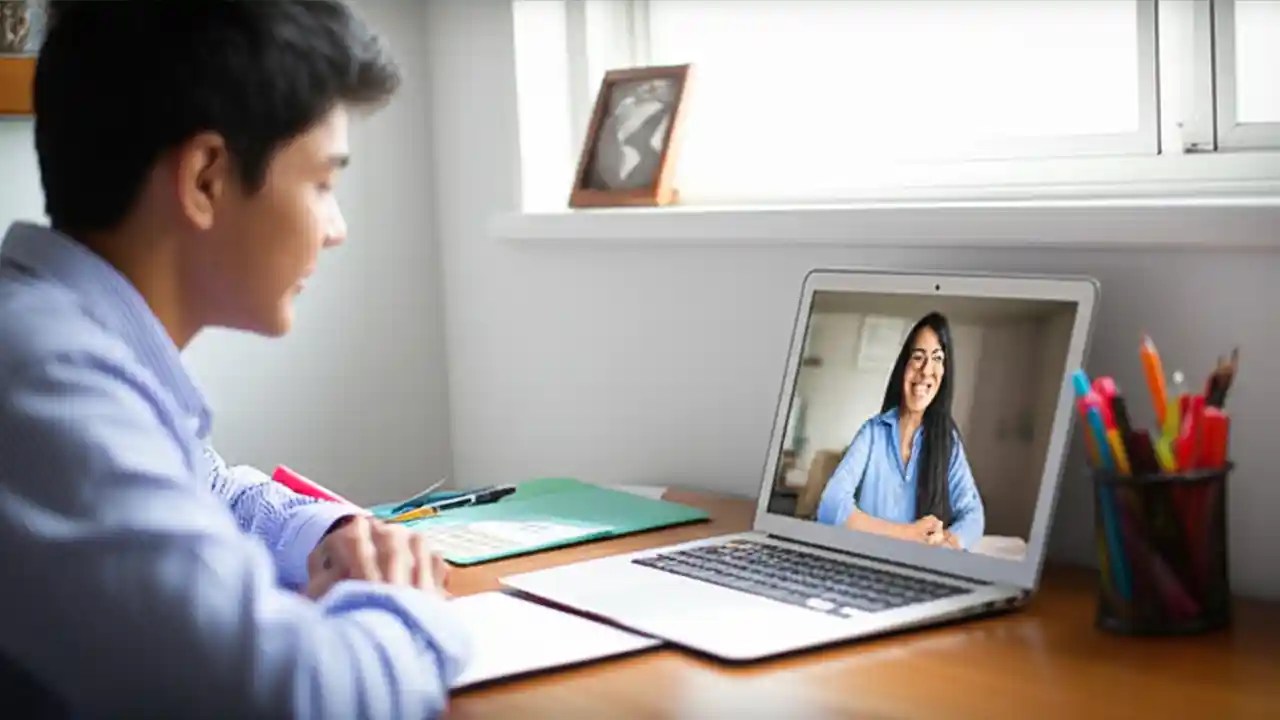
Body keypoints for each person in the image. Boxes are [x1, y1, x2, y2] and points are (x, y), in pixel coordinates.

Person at [0, 2, 468, 718]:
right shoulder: (46, 379)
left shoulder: (60, 339)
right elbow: (288, 698)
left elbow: (200, 486)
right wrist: (406, 608)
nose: (335, 228)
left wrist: (334, 536)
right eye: (322, 184)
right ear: (205, 179)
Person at [815, 312, 985, 550]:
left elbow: (973, 515)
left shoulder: (948, 442)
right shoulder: (873, 433)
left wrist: (947, 543)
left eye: (937, 358)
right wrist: (907, 534)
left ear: (944, 372)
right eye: (918, 357)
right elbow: (830, 507)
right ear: (903, 367)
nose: (926, 370)